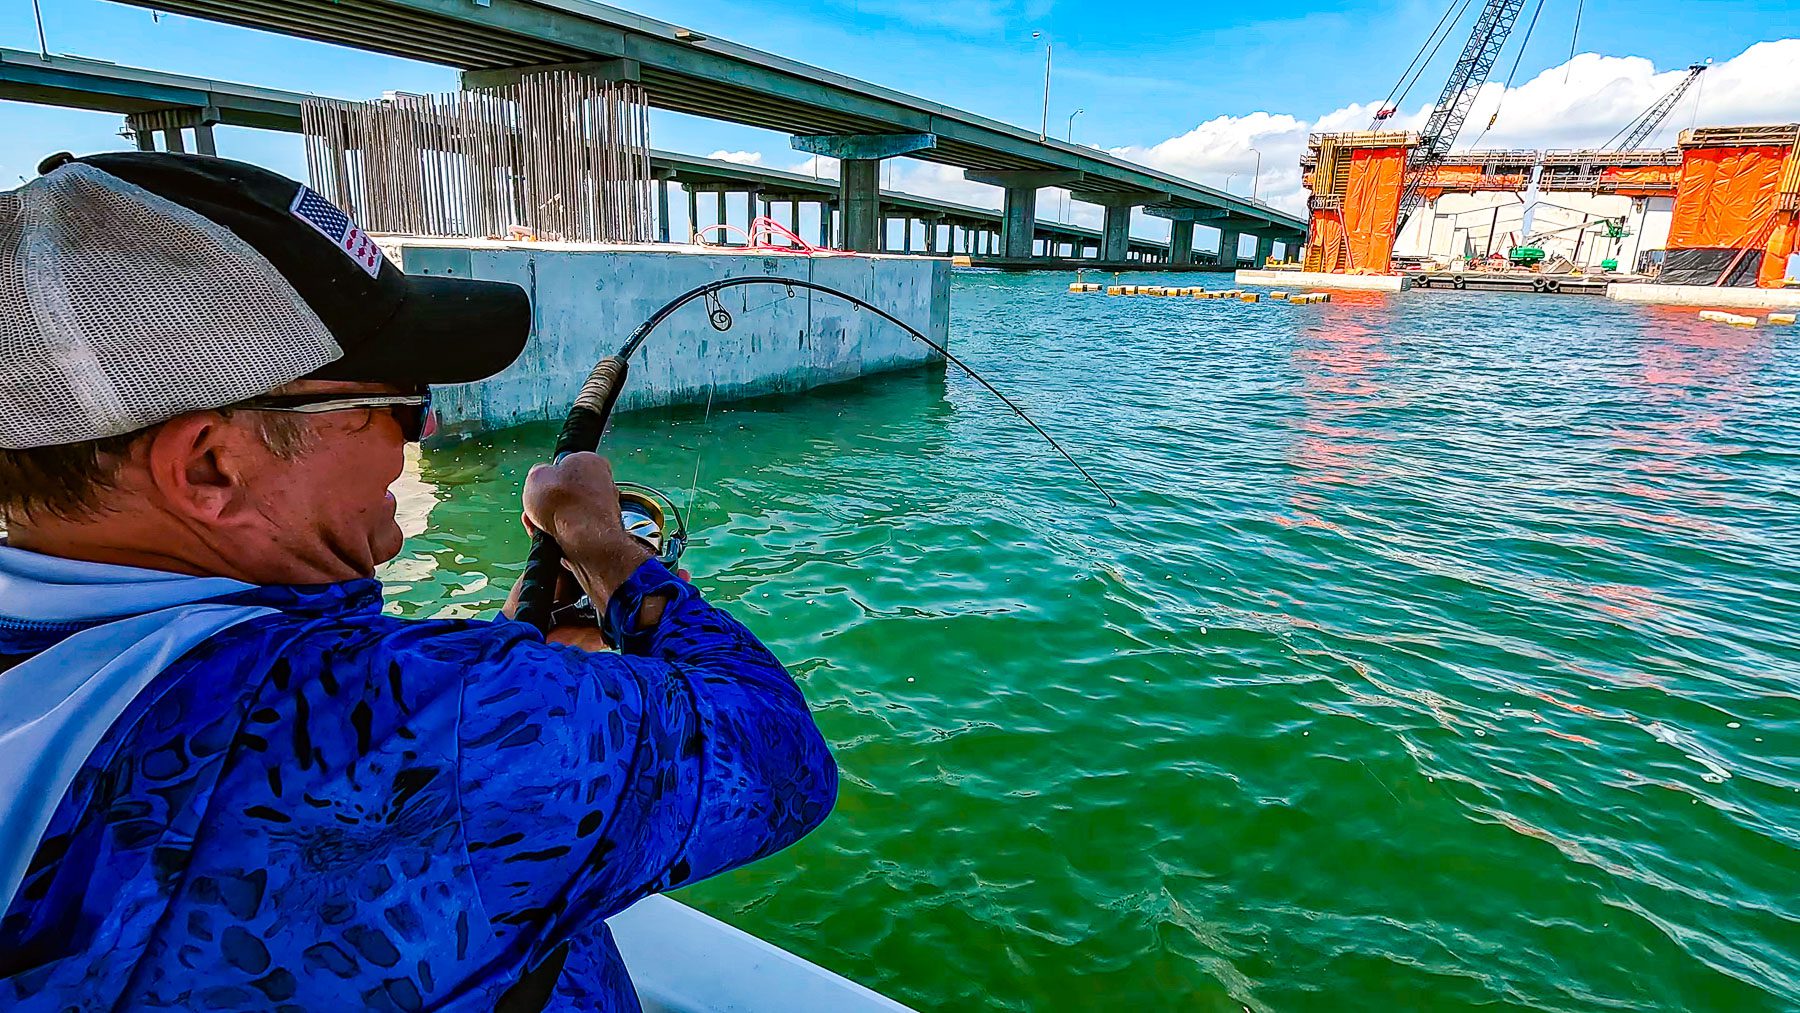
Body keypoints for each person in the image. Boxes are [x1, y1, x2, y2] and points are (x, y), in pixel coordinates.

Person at [0, 152, 837, 1010]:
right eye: (400, 402)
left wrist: (510, 651)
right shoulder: (413, 722)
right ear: (211, 466)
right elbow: (775, 754)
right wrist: (602, 543)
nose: (426, 429)